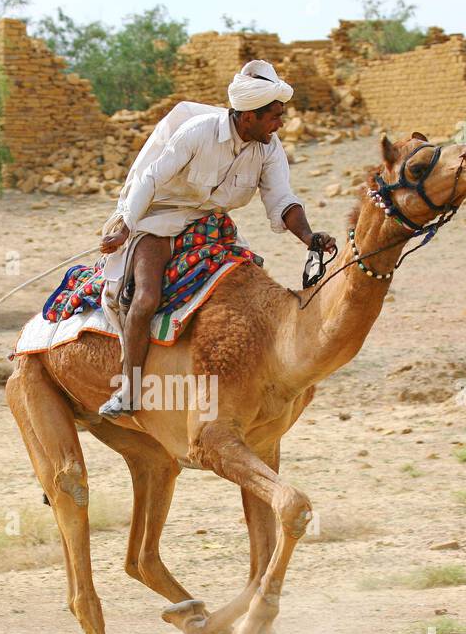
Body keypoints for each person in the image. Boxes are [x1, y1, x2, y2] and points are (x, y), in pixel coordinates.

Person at [96, 60, 336, 418]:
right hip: (160, 218)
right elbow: (150, 179)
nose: (280, 123)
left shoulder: (269, 148)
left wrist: (308, 236)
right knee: (145, 298)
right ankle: (129, 391)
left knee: (249, 289)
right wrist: (127, 226)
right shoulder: (198, 131)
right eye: (274, 115)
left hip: (212, 225)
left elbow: (282, 200)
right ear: (248, 116)